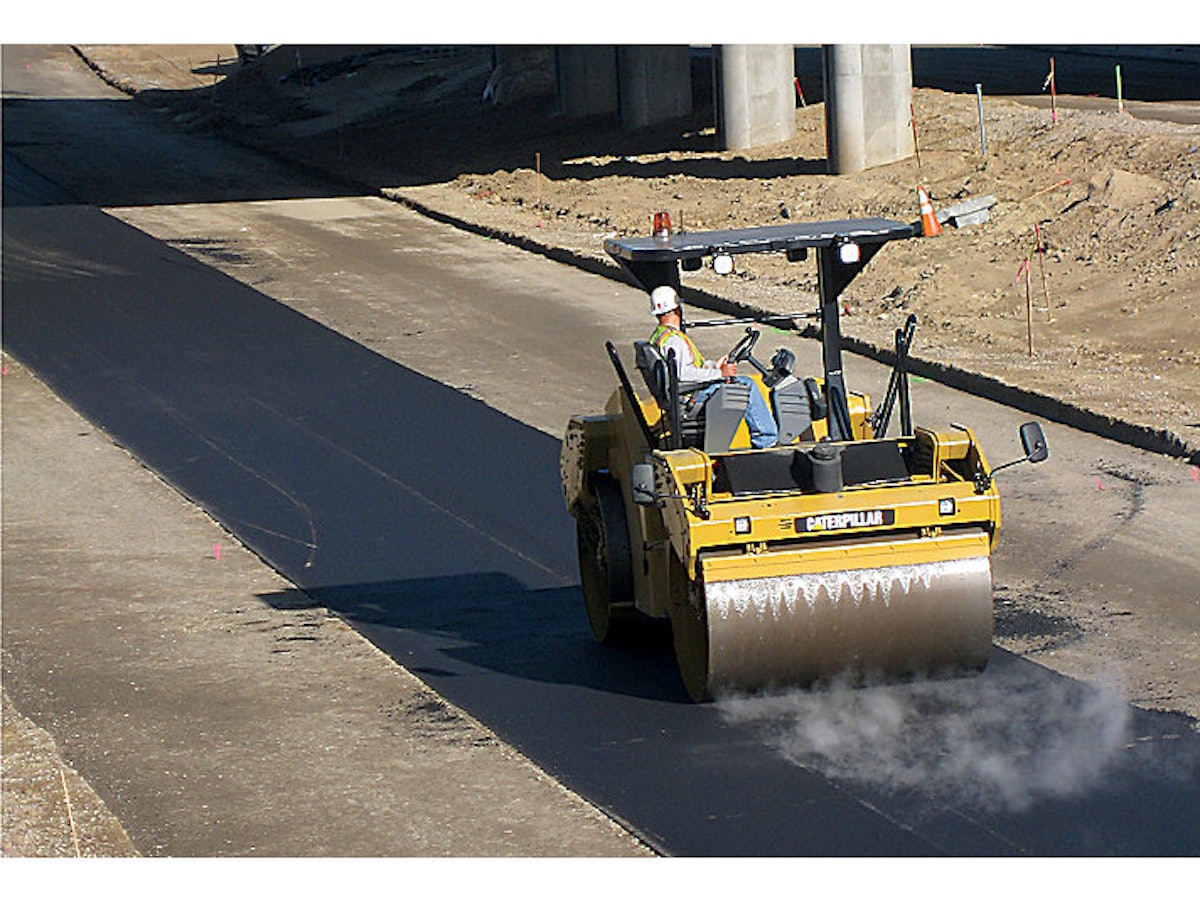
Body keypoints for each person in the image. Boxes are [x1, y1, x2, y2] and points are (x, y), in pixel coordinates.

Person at [648, 285, 778, 449]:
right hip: (691, 398)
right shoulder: (674, 340)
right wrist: (719, 373)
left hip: (684, 394)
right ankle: (766, 440)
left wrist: (714, 366)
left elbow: (685, 368)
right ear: (677, 309)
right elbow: (683, 374)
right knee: (746, 385)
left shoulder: (661, 336)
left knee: (740, 382)